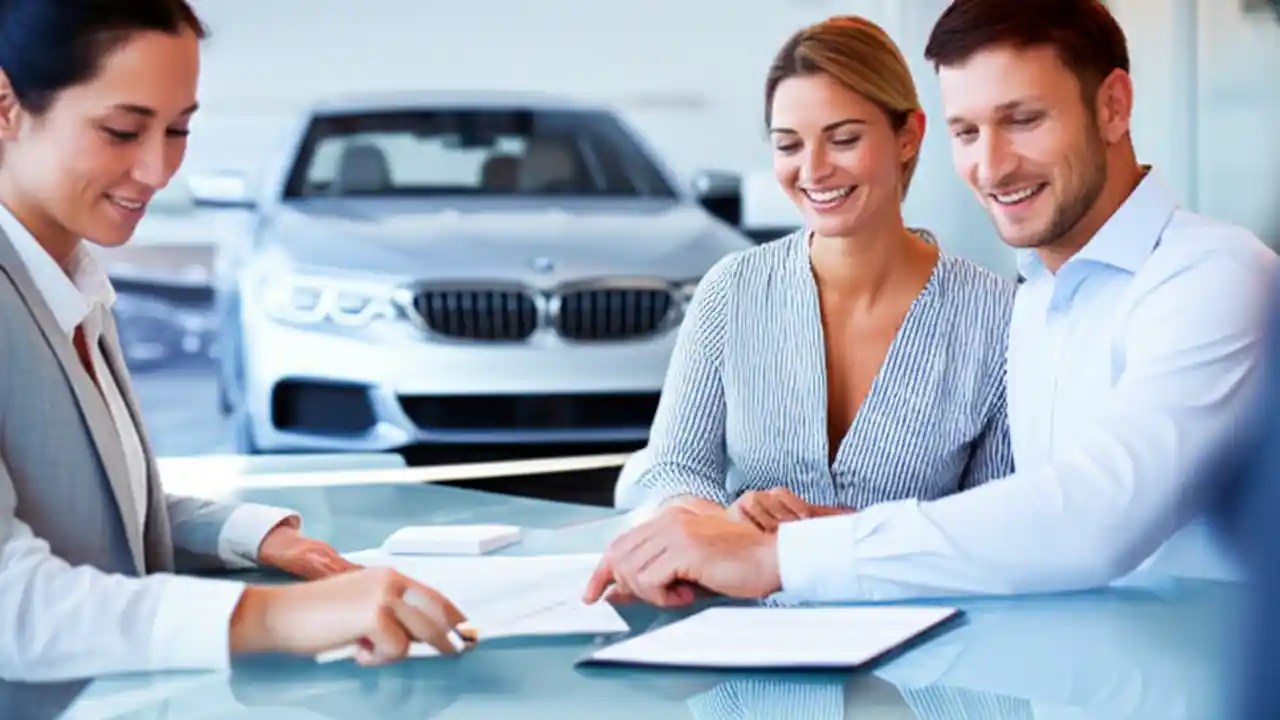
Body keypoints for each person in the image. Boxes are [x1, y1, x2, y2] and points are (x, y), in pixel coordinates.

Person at [584, 0, 1278, 607]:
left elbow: (1100, 514)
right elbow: (1007, 524)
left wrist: (778, 558)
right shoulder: (1039, 300)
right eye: (969, 132)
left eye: (1024, 120)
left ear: (1113, 106)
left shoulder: (1216, 277)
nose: (992, 165)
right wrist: (829, 535)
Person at [0, 0, 465, 682]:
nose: (159, 171)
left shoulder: (68, 280)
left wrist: (252, 536)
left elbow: (87, 509)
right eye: (122, 130)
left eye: (179, 130)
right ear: (6, 105)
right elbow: (15, 606)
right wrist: (273, 618)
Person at [622, 15, 1014, 533]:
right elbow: (673, 467)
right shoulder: (732, 290)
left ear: (908, 136)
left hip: (918, 610)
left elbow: (1000, 521)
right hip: (745, 610)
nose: (813, 170)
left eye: (844, 139)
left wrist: (857, 543)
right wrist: (719, 519)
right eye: (788, 145)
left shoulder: (998, 317)